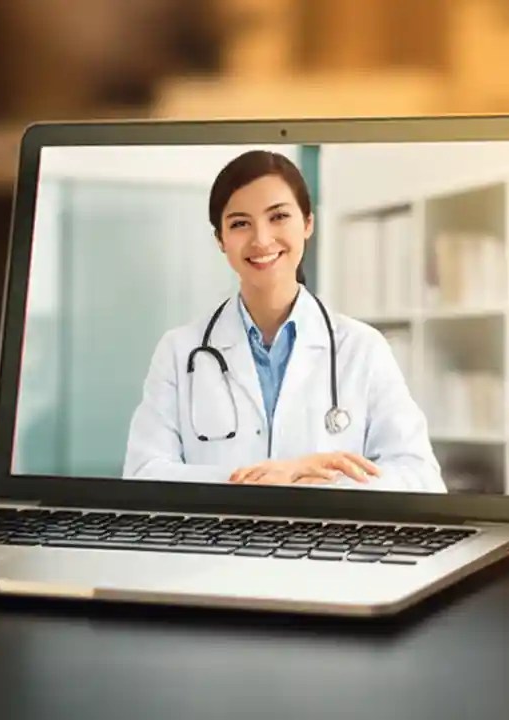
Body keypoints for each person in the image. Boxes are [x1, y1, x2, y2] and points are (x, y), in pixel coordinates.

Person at [122, 150, 445, 492]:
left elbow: (421, 480)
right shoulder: (179, 351)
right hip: (218, 528)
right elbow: (144, 475)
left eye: (278, 217)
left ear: (307, 223)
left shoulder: (362, 348)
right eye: (240, 223)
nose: (261, 239)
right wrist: (265, 480)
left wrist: (307, 482)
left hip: (324, 528)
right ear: (220, 239)